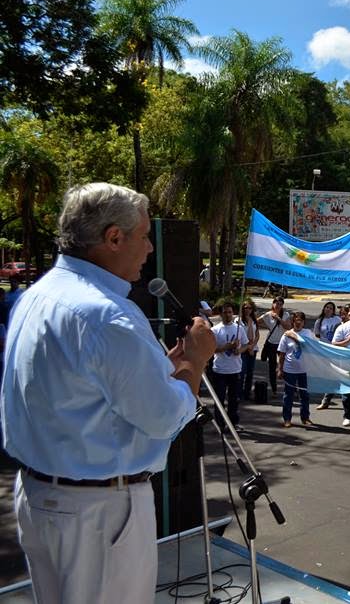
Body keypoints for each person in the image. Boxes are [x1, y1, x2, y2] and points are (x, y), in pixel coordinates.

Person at [1, 182, 215, 603]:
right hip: (97, 512)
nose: (150, 249)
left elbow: (76, 392)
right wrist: (195, 361)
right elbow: (164, 417)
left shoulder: (38, 295)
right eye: (143, 236)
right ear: (113, 238)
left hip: (41, 496)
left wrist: (164, 369)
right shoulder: (107, 315)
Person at [210, 300, 248, 430]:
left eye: (230, 312)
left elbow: (246, 344)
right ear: (221, 314)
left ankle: (233, 423)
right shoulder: (215, 330)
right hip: (219, 370)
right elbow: (211, 349)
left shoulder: (239, 328)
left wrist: (239, 350)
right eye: (225, 312)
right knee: (219, 400)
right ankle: (220, 425)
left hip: (235, 369)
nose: (228, 315)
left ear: (233, 313)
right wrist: (225, 347)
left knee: (234, 399)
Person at [277, 311, 315, 428]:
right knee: (288, 395)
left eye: (301, 320)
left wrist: (294, 336)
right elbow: (282, 354)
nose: (298, 323)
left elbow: (310, 346)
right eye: (296, 320)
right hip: (290, 370)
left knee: (304, 395)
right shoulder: (286, 335)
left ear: (304, 322)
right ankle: (287, 418)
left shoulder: (308, 333)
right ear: (293, 321)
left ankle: (305, 417)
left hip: (304, 370)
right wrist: (280, 369)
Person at [257, 297, 292, 397]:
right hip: (271, 344)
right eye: (276, 303)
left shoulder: (285, 314)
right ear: (272, 304)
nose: (278, 305)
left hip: (282, 343)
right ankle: (274, 390)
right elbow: (256, 322)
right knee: (272, 367)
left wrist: (278, 318)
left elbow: (288, 327)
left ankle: (290, 389)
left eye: (280, 304)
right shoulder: (267, 315)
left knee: (285, 366)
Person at [313, 301, 341, 410]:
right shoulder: (319, 321)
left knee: (335, 375)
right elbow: (317, 334)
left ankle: (327, 399)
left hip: (336, 350)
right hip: (325, 351)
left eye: (330, 308)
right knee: (328, 375)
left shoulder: (337, 320)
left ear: (333, 310)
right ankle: (327, 398)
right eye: (326, 307)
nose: (328, 309)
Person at [239, 299, 259, 401]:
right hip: (243, 349)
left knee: (250, 373)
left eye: (250, 308)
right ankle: (239, 392)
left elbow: (256, 335)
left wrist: (252, 346)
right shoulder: (239, 321)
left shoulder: (253, 320)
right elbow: (246, 336)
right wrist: (248, 346)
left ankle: (247, 392)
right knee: (242, 372)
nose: (248, 310)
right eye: (246, 308)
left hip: (252, 349)